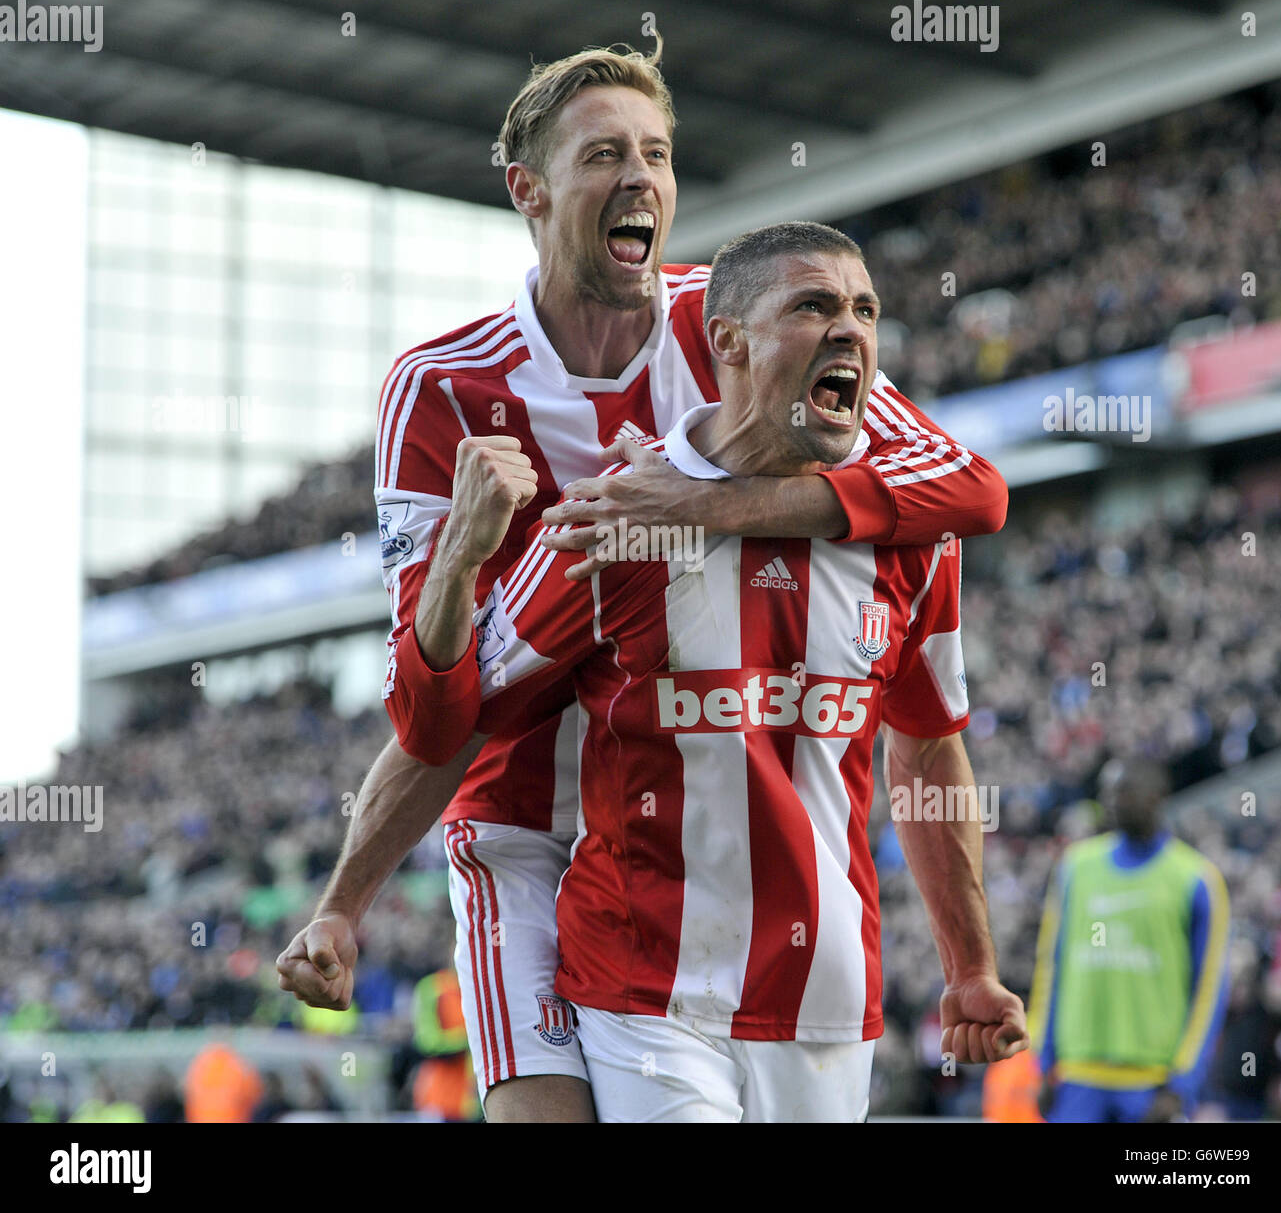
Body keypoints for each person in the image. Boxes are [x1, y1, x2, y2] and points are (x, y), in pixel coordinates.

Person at [278, 39, 1009, 1122]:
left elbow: (967, 488)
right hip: (532, 834)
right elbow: (434, 703)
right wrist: (345, 901)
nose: (641, 179)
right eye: (603, 155)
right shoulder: (442, 389)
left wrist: (711, 505)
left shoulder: (745, 323)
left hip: (714, 860)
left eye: (657, 154)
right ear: (527, 191)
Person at [396, 222, 1027, 1121]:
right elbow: (447, 717)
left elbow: (928, 752)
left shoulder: (914, 539)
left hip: (826, 1000)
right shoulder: (615, 522)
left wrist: (971, 968)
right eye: (813, 306)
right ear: (725, 341)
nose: (849, 328)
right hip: (646, 989)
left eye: (864, 309)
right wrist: (453, 569)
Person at [1029, 757, 1230, 1123]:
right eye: (1106, 791)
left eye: (1123, 790)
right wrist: (1043, 1062)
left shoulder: (1196, 879)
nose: (1112, 800)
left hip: (1152, 1083)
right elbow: (1050, 966)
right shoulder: (1074, 867)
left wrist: (1182, 1083)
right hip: (1077, 1077)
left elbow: (1210, 990)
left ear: (1157, 796)